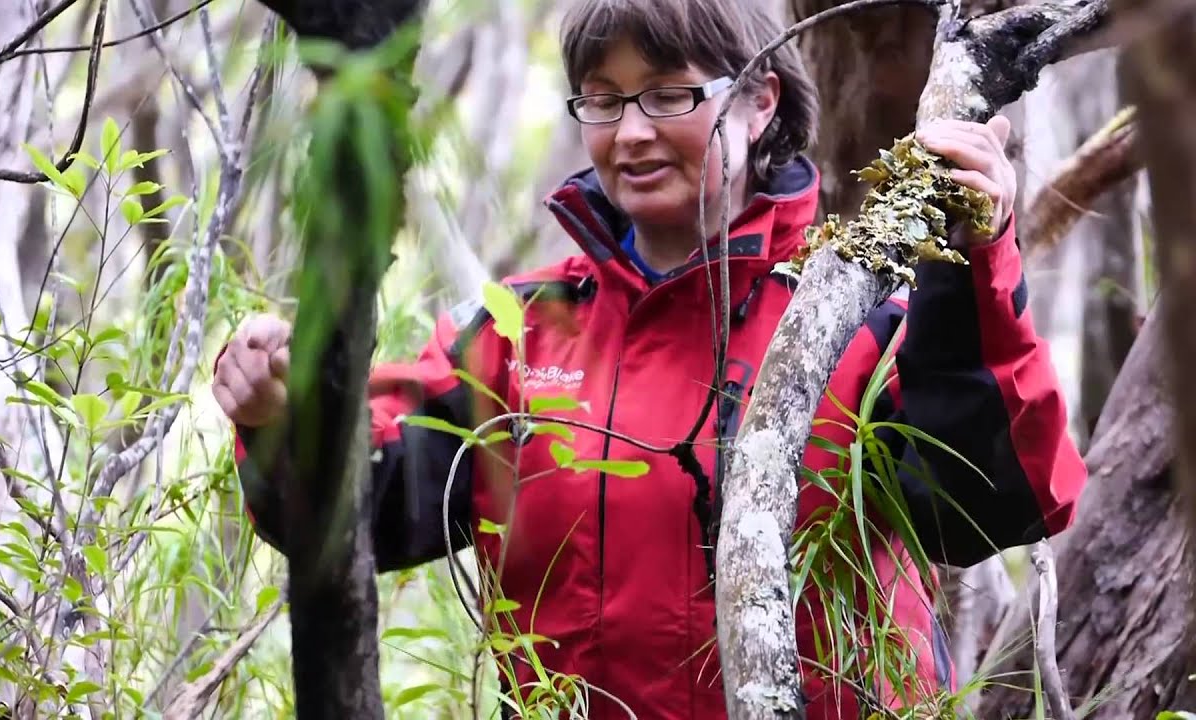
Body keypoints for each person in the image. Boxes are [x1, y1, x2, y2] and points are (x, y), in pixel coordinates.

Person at [212, 0, 1087, 717]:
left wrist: (977, 260)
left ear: (759, 102)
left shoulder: (848, 312)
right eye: (603, 98)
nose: (630, 133)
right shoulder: (521, 333)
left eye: (669, 94)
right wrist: (282, 414)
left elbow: (990, 502)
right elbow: (371, 502)